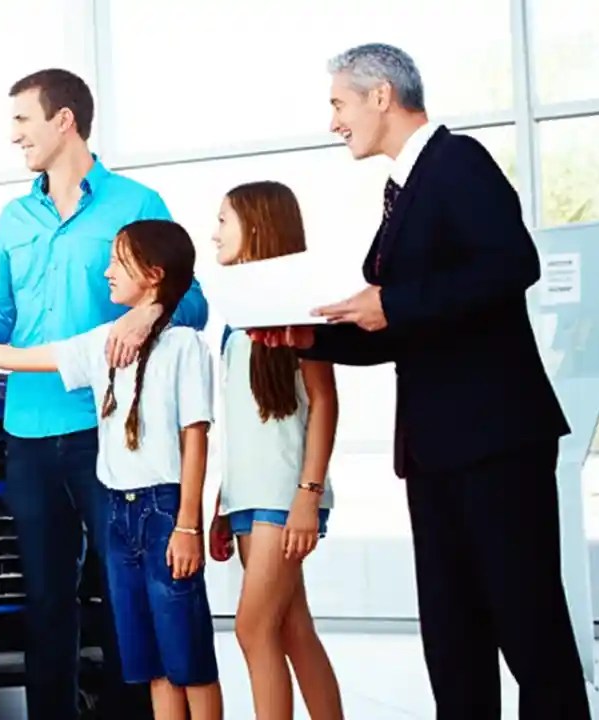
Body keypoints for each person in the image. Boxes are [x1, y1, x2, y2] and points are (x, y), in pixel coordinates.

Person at [253, 44, 590, 718]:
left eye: (338, 104)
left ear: (381, 95)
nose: (333, 122)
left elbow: (512, 264)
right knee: (452, 634)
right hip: (439, 449)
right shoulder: (405, 188)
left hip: (494, 441)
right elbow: (402, 327)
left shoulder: (456, 162)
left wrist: (393, 303)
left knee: (529, 631)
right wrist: (310, 338)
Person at [0, 68, 209, 720]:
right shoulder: (13, 218)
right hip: (28, 431)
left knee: (125, 598)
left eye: (22, 121)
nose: (14, 137)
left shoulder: (135, 202)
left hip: (111, 432)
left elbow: (192, 301)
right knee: (45, 601)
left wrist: (145, 314)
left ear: (64, 120)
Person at [205, 181, 344, 719]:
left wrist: (308, 495)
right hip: (250, 495)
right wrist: (222, 501)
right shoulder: (240, 316)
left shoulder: (299, 308)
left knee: (252, 627)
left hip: (284, 495)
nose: (214, 232)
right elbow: (244, 422)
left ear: (257, 227)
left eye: (223, 220)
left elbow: (325, 403)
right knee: (291, 627)